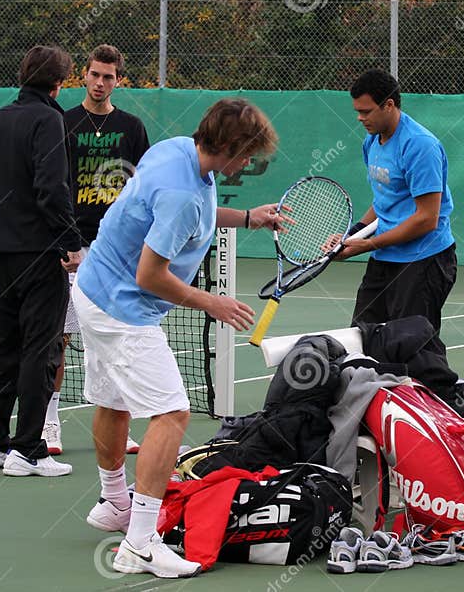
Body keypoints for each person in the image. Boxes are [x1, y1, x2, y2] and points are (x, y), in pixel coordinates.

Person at [74, 98, 282, 579]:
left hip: (90, 288)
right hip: (123, 309)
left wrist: (249, 217)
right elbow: (151, 275)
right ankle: (139, 543)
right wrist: (213, 302)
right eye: (246, 154)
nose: (248, 163)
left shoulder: (175, 150)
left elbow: (199, 213)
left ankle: (113, 503)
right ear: (227, 146)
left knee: (114, 399)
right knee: (172, 412)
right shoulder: (181, 195)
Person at [0, 45, 81, 477]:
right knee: (40, 351)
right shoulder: (50, 119)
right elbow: (52, 188)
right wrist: (71, 244)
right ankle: (28, 450)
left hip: (3, 259)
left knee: (2, 346)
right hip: (42, 256)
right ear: (60, 83)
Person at [46, 44, 150, 456]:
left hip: (116, 252)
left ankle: (119, 426)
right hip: (69, 246)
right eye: (94, 74)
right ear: (83, 77)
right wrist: (62, 238)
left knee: (115, 340)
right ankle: (48, 424)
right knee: (59, 337)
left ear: (118, 80)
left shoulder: (132, 127)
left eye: (109, 76)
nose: (100, 82)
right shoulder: (62, 122)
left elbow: (143, 186)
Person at [337, 69, 456, 340]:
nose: (360, 118)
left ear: (388, 105)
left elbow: (427, 218)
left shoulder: (420, 146)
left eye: (366, 111)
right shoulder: (372, 143)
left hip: (424, 261)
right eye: (357, 111)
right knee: (361, 341)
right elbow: (384, 201)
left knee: (414, 351)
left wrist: (369, 244)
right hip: (384, 260)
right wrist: (354, 234)